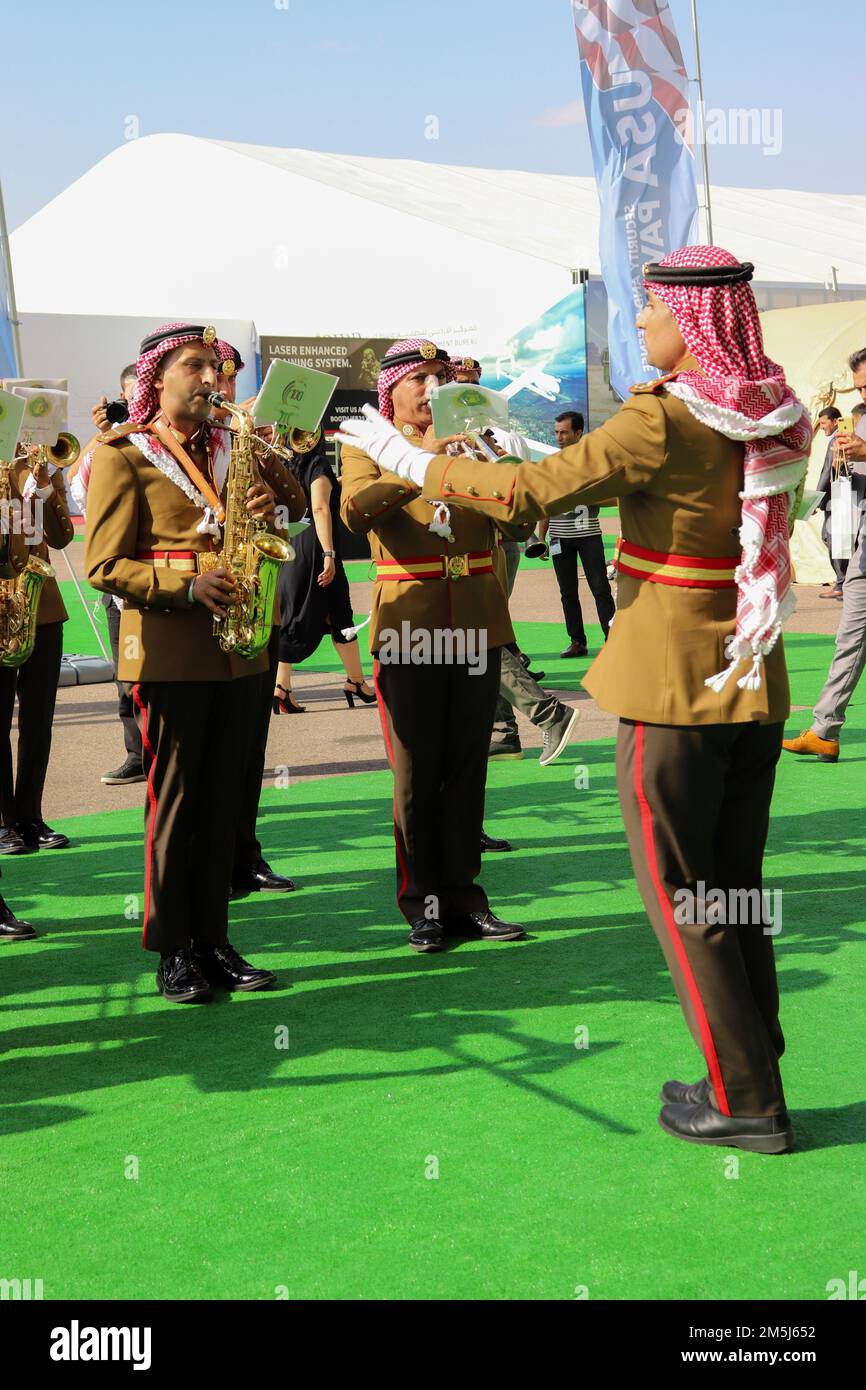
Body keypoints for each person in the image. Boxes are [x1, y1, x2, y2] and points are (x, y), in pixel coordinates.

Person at [339, 249, 812, 1154]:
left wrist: (413, 460)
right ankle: (747, 1062)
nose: (639, 324)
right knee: (736, 889)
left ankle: (745, 1097)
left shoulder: (663, 415)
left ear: (690, 317)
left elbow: (532, 494)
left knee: (684, 894)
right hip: (752, 674)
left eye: (651, 308)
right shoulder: (765, 403)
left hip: (672, 679)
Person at [85, 323, 283, 1004]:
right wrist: (186, 585)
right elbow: (103, 565)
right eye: (194, 365)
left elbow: (267, 533)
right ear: (156, 379)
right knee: (177, 805)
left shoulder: (234, 447)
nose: (210, 377)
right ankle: (174, 951)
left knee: (225, 805)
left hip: (240, 650)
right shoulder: (124, 454)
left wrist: (268, 515)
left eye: (214, 366)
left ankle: (216, 942)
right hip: (170, 651)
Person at [338, 338, 527, 953]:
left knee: (468, 767)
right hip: (411, 625)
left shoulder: (473, 443)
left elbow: (522, 523)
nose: (431, 388)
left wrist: (501, 464)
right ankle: (424, 904)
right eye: (418, 378)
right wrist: (421, 458)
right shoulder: (366, 440)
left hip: (475, 617)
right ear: (389, 390)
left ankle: (468, 900)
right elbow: (356, 513)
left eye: (440, 377)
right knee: (417, 773)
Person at [211, 340, 307, 898]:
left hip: (253, 603)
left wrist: (272, 495)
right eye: (211, 378)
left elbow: (293, 508)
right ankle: (208, 864)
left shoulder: (246, 438)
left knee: (250, 745)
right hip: (195, 609)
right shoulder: (161, 448)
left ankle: (246, 854)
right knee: (202, 753)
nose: (223, 392)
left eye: (229, 380)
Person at [783, 349, 866, 764]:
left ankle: (825, 727)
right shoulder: (859, 421)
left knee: (851, 638)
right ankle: (824, 729)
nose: (864, 394)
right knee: (849, 639)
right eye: (861, 387)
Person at [0, 430, 75, 854]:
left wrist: (45, 483)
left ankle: (30, 815)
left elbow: (62, 536)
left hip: (41, 604)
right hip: (0, 605)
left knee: (37, 720)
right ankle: (4, 822)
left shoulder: (34, 465)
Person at [273, 434, 375, 714]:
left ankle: (353, 681)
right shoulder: (317, 464)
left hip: (290, 548)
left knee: (333, 615)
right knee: (321, 616)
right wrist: (328, 554)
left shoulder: (284, 464)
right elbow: (319, 508)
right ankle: (284, 687)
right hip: (316, 551)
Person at [529, 411, 616, 658]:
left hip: (588, 535)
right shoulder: (550, 464)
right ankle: (577, 641)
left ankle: (612, 638)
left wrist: (584, 496)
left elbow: (617, 499)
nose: (559, 437)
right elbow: (545, 504)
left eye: (564, 432)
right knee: (567, 592)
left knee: (600, 588)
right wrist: (541, 538)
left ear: (579, 433)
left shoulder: (595, 464)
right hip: (559, 538)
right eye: (556, 432)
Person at [814, 405, 846, 597]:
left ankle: (842, 584)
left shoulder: (837, 440)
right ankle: (843, 582)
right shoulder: (840, 438)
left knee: (834, 539)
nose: (823, 426)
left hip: (836, 497)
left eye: (824, 423)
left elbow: (828, 471)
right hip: (835, 497)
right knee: (830, 538)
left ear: (835, 422)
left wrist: (816, 498)